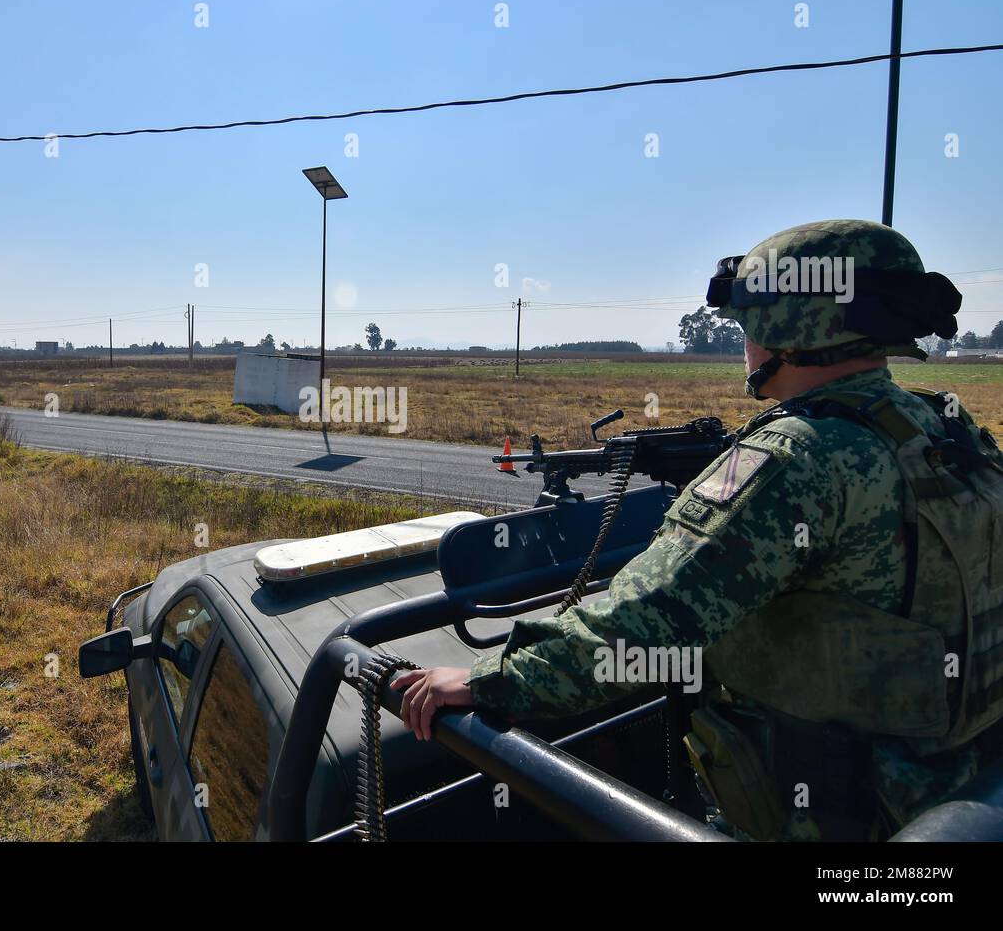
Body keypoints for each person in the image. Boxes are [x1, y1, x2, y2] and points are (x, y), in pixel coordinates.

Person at [392, 219, 1003, 840]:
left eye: (747, 323)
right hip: (954, 792)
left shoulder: (796, 458)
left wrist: (489, 678)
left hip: (827, 815)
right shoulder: (942, 427)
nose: (744, 341)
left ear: (788, 327)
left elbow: (643, 627)